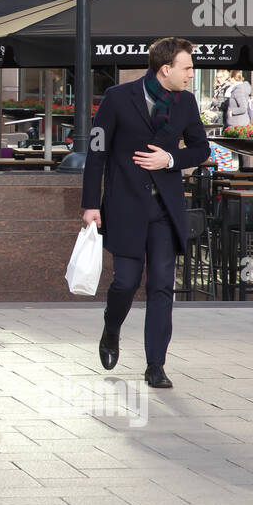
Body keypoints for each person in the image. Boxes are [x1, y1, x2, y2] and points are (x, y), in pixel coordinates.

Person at [82, 37, 210, 391]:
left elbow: (200, 148)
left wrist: (170, 159)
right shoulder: (117, 98)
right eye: (187, 68)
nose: (191, 75)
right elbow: (96, 152)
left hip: (165, 210)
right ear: (165, 69)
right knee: (125, 281)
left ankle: (156, 365)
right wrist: (91, 204)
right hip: (124, 206)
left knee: (161, 287)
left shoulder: (186, 102)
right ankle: (112, 328)